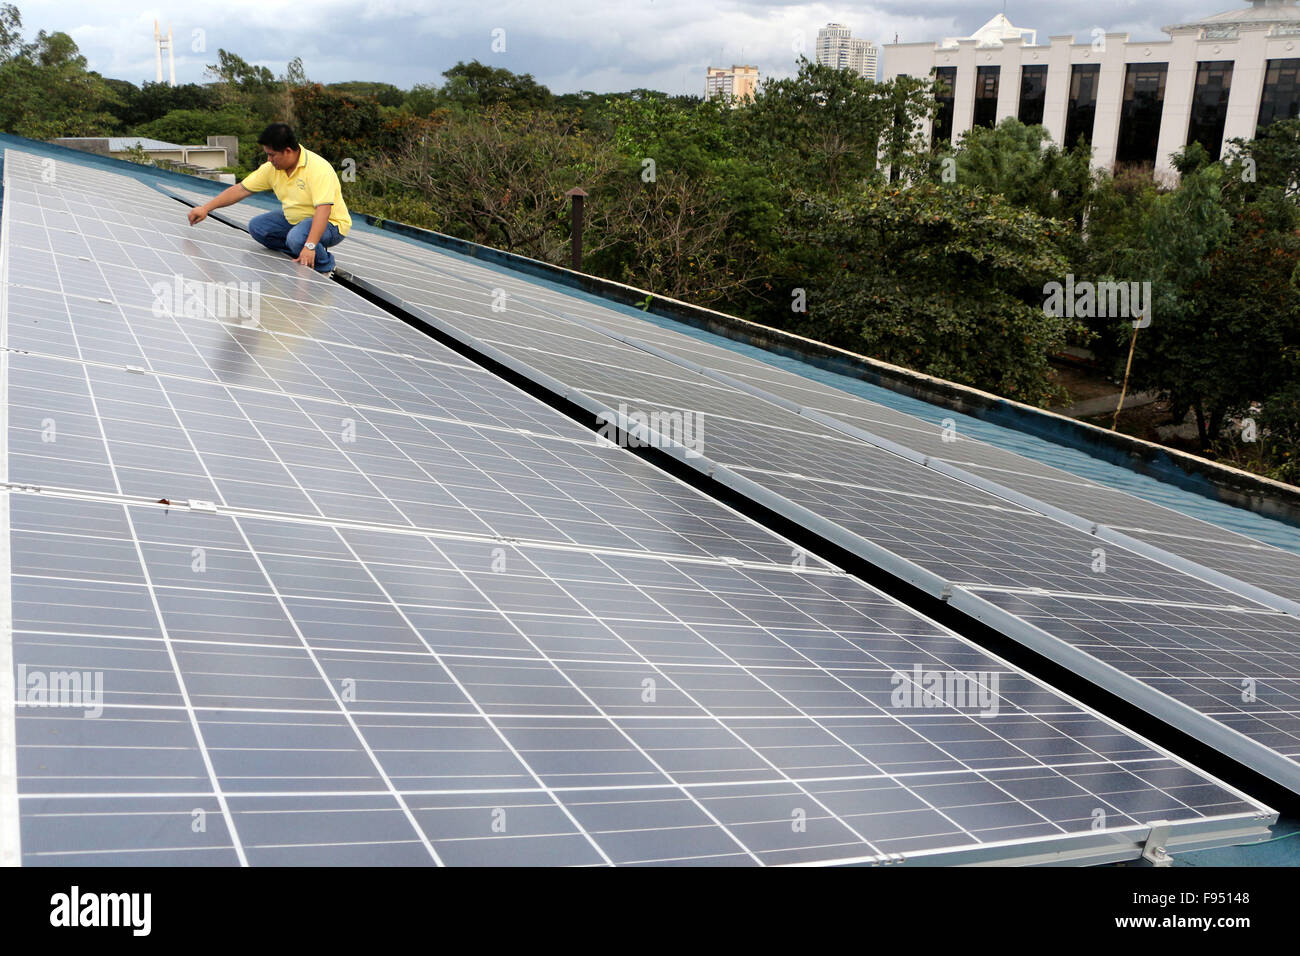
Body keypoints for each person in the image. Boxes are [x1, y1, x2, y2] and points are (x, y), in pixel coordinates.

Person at [187, 123, 351, 275]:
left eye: (272, 155)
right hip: (295, 220)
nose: (269, 160)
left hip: (331, 224)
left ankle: (325, 267)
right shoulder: (272, 169)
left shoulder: (318, 169)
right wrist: (206, 208)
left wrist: (309, 246)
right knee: (258, 227)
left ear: (288, 151)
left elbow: (324, 209)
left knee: (297, 238)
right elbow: (241, 189)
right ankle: (300, 249)